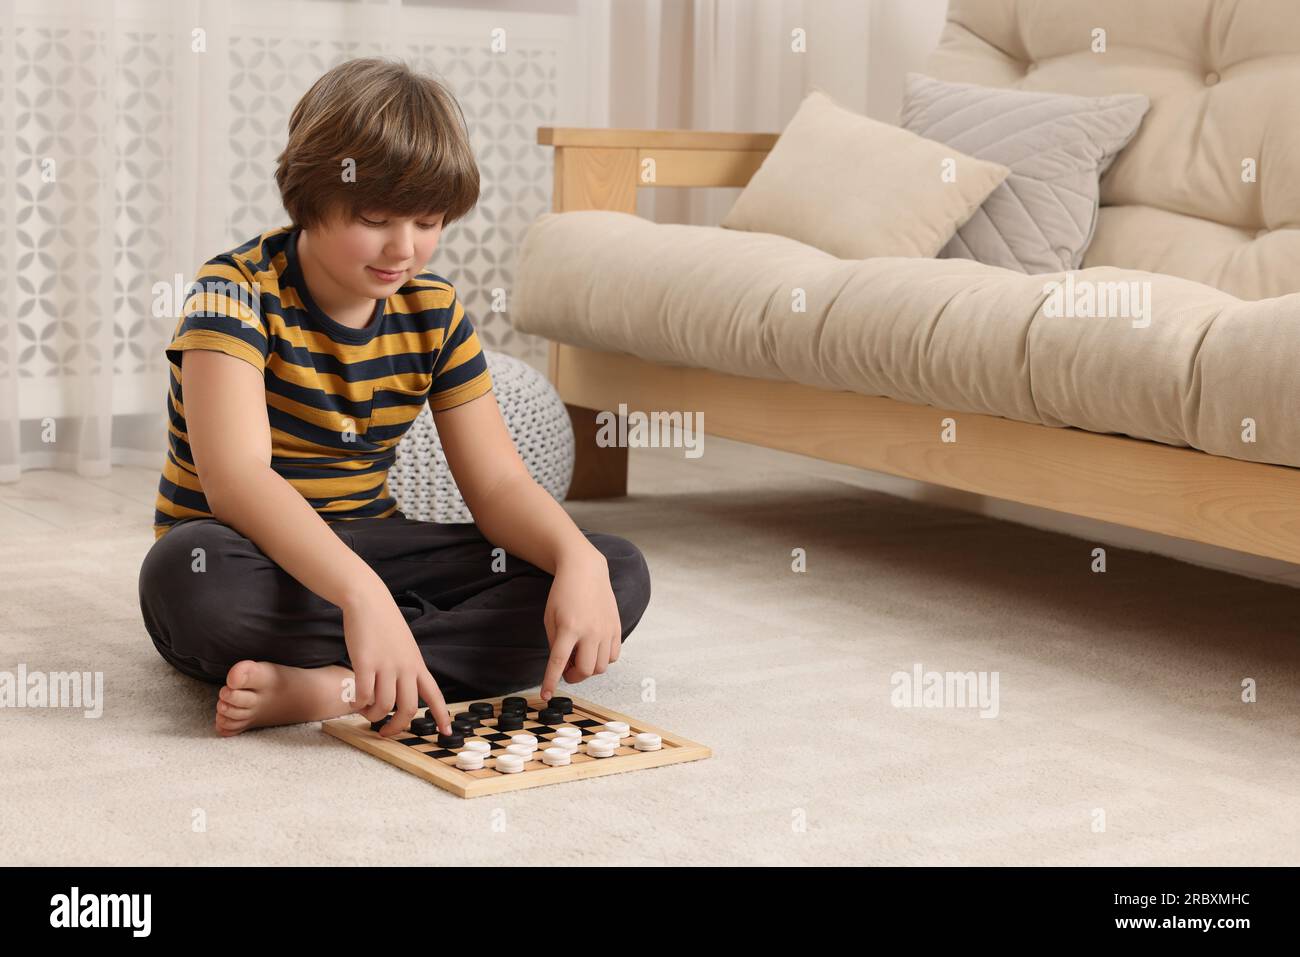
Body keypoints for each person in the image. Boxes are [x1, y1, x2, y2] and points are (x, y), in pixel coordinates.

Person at [137, 56, 651, 738]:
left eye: (428, 221)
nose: (403, 248)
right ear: (311, 194)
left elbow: (497, 484)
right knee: (186, 579)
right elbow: (236, 481)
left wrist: (575, 559)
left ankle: (345, 684)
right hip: (251, 552)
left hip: (376, 542)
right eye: (375, 217)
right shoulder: (233, 291)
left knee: (614, 571)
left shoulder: (434, 311)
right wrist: (361, 595)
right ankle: (397, 646)